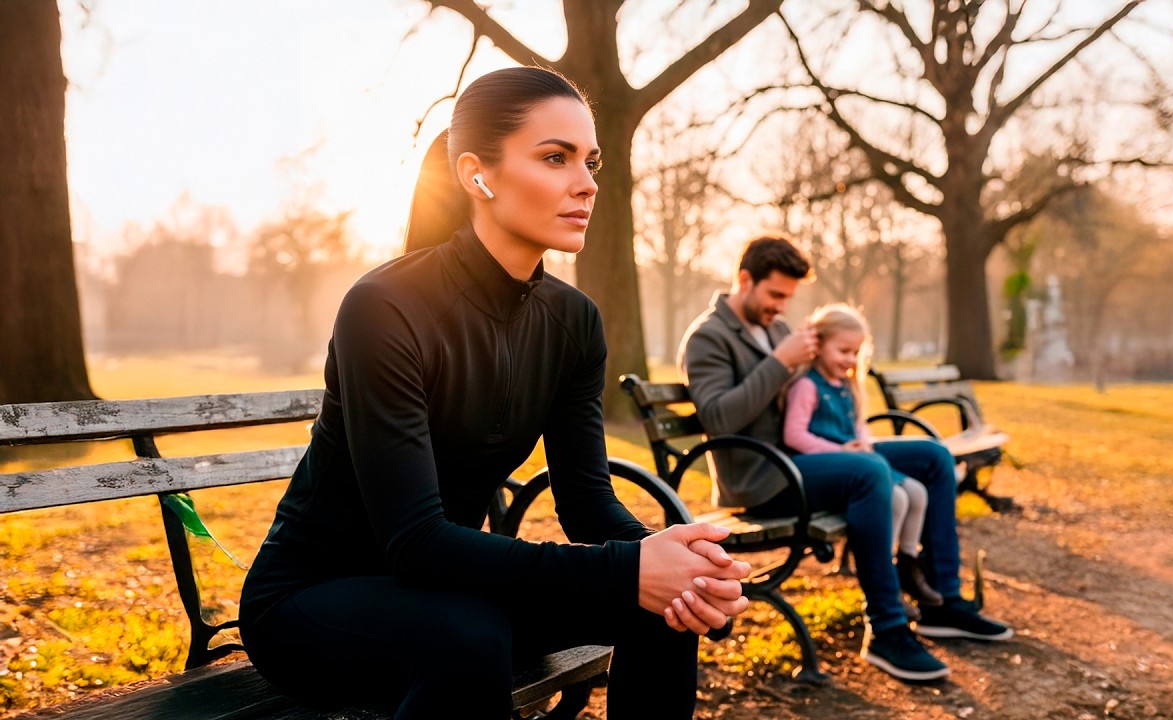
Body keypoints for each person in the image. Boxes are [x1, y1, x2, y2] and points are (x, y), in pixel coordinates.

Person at [240, 66, 750, 720]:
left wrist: (681, 567)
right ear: (477, 175)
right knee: (469, 639)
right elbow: (416, 542)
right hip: (310, 601)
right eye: (556, 158)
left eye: (591, 162)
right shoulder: (384, 307)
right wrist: (627, 569)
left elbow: (588, 502)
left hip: (456, 587)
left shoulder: (574, 322)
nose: (587, 183)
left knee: (662, 607)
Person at [677, 235, 1012, 684]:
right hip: (762, 477)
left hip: (806, 457)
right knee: (868, 472)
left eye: (788, 297)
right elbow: (719, 418)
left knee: (933, 456)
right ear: (744, 279)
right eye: (775, 294)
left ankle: (942, 602)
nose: (781, 307)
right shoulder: (708, 337)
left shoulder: (776, 328)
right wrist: (780, 361)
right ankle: (887, 629)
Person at [780, 303, 943, 618]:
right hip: (831, 465)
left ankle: (908, 563)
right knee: (897, 499)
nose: (850, 360)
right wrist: (841, 450)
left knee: (918, 492)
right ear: (818, 346)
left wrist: (865, 443)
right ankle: (886, 574)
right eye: (843, 351)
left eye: (855, 353)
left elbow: (859, 427)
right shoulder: (806, 386)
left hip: (859, 460)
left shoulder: (847, 386)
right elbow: (794, 435)